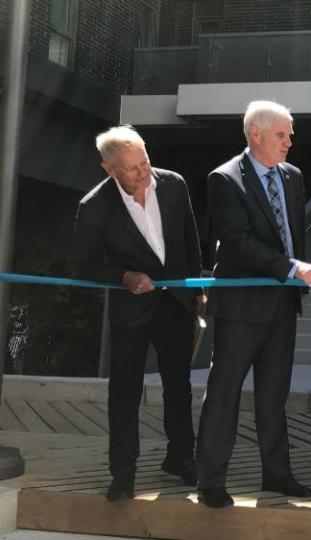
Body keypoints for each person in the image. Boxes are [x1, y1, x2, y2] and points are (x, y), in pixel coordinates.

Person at [196, 100, 311, 508]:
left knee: (274, 395)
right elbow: (237, 242)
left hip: (281, 307)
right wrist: (292, 267)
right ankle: (211, 481)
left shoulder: (293, 177)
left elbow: (293, 234)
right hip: (240, 308)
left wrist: (295, 279)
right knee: (224, 393)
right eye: (282, 135)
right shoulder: (225, 179)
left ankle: (277, 474)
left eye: (290, 135)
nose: (290, 142)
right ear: (256, 134)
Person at [73, 126, 203, 502]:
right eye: (131, 169)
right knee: (124, 392)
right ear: (108, 168)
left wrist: (195, 292)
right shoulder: (94, 206)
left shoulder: (174, 185)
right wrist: (124, 276)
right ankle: (123, 473)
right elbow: (83, 266)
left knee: (178, 386)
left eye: (144, 162)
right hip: (132, 310)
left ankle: (181, 458)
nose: (143, 173)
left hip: (176, 304)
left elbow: (190, 242)